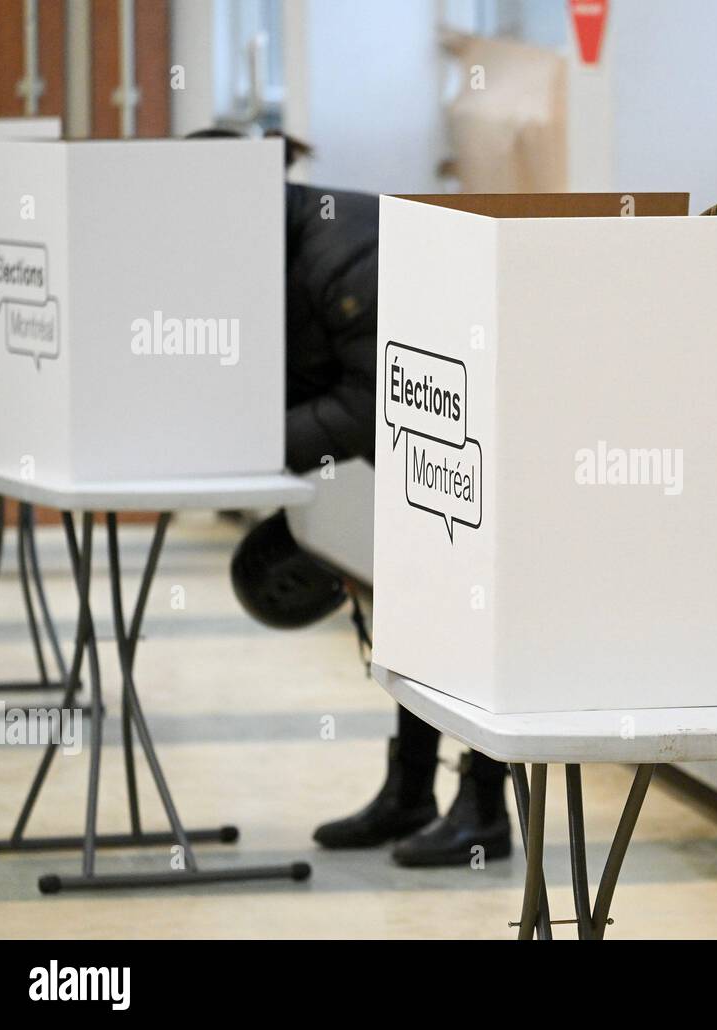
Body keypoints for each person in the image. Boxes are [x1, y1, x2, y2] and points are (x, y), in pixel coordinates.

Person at [199, 129, 512, 867]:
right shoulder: (270, 242)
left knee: (466, 625)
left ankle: (486, 808)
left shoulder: (342, 247)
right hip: (416, 450)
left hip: (470, 445)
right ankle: (408, 793)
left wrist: (252, 444)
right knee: (411, 614)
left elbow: (371, 399)